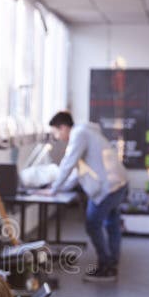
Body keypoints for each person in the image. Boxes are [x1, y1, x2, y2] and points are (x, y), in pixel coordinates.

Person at [44, 111, 128, 282]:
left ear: (64, 127)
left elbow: (69, 164)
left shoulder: (79, 134)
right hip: (119, 183)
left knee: (92, 224)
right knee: (112, 224)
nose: (57, 137)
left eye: (56, 132)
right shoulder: (87, 132)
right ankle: (111, 264)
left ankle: (106, 266)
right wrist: (58, 188)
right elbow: (78, 172)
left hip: (108, 188)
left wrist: (54, 189)